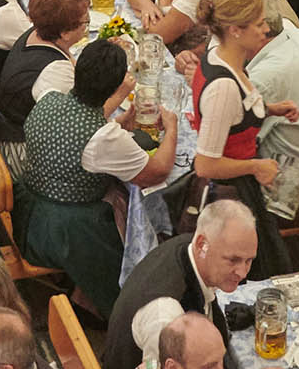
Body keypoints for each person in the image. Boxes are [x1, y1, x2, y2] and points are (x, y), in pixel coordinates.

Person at [19, 37, 181, 313]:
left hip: (27, 209)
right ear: (116, 87)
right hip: (67, 231)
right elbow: (156, 172)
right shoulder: (103, 137)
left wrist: (118, 124)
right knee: (139, 205)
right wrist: (172, 127)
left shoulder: (49, 98)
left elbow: (70, 137)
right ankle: (111, 303)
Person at [99, 203, 283, 369]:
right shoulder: (166, 315)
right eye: (233, 260)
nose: (242, 273)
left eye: (249, 261)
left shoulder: (190, 247)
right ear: (202, 244)